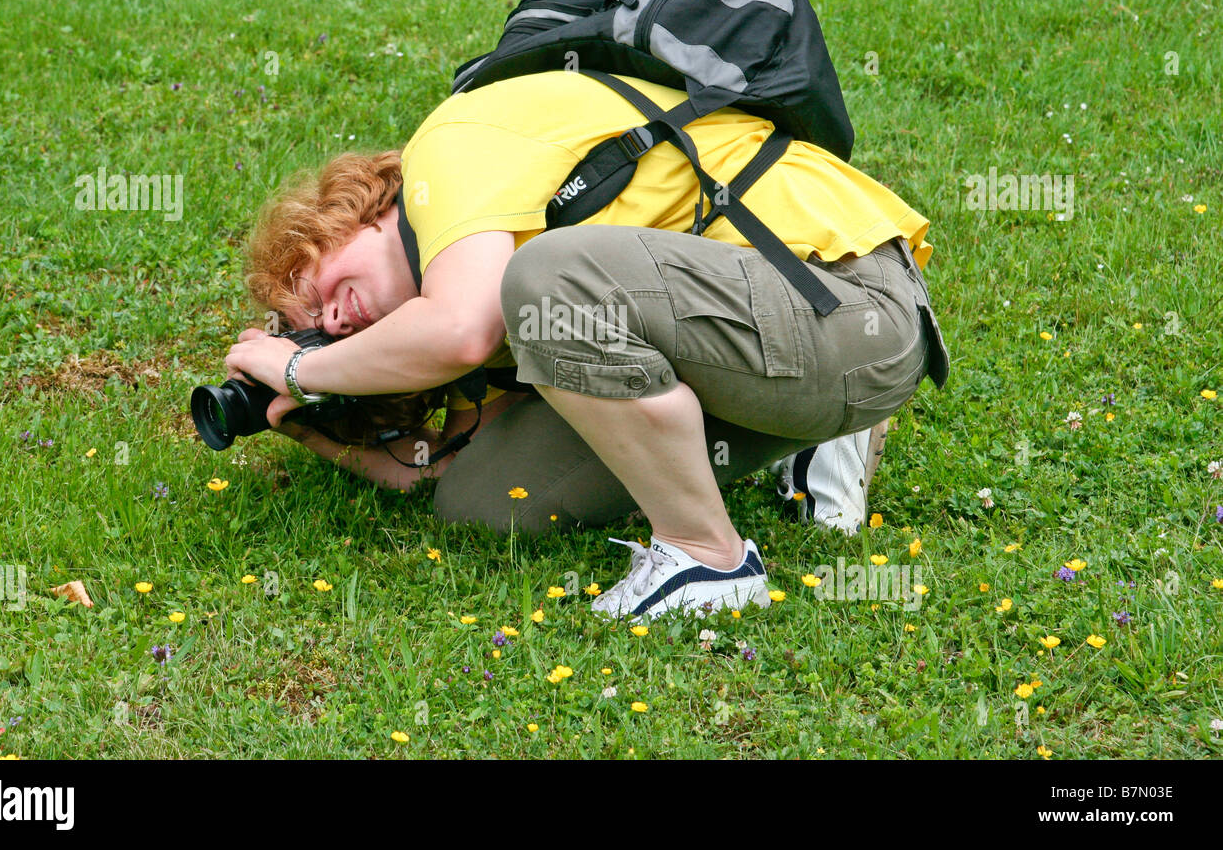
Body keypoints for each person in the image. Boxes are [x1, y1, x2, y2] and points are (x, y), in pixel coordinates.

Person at [223, 69, 949, 619]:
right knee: (487, 498)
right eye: (316, 324)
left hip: (849, 300)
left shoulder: (446, 151)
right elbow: (440, 472)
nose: (332, 318)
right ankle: (811, 435)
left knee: (546, 279)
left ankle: (707, 564)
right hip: (771, 346)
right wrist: (320, 430)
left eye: (311, 285)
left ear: (354, 212)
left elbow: (459, 328)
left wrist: (300, 364)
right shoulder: (473, 286)